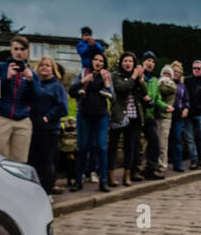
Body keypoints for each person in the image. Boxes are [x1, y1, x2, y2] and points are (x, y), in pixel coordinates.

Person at [0, 35, 37, 162]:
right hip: (2, 118)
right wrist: (7, 77)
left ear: (27, 51)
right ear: (11, 49)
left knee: (20, 162)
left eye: (22, 49)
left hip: (23, 121)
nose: (19, 52)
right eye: (16, 49)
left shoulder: (32, 73)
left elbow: (36, 99)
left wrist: (31, 80)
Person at [71, 50, 112, 192]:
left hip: (101, 116)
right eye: (96, 59)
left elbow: (113, 97)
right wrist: (84, 81)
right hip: (84, 115)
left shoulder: (106, 75)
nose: (98, 62)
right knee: (82, 148)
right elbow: (71, 91)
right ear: (92, 61)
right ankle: (78, 180)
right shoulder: (83, 73)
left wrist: (107, 84)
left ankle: (104, 181)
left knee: (101, 147)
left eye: (101, 61)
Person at [28, 56, 68, 193]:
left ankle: (48, 190)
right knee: (33, 161)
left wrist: (48, 117)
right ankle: (34, 189)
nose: (44, 67)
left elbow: (63, 108)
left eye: (48, 65)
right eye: (42, 65)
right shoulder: (34, 84)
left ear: (53, 69)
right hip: (33, 128)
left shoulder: (57, 86)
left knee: (47, 161)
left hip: (49, 130)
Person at [109, 52, 149, 187]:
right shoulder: (115, 75)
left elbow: (145, 92)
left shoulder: (136, 77)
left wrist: (140, 78)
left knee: (130, 147)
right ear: (121, 63)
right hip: (119, 116)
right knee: (113, 146)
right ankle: (111, 174)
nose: (128, 63)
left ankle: (127, 174)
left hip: (134, 117)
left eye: (130, 61)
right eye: (125, 61)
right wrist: (133, 77)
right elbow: (121, 88)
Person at [140, 51, 166, 179]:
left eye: (153, 61)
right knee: (136, 144)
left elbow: (157, 98)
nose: (150, 63)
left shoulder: (154, 80)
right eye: (148, 60)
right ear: (143, 62)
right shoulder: (139, 77)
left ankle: (150, 169)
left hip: (150, 115)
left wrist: (166, 107)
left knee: (155, 143)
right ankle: (134, 170)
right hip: (138, 115)